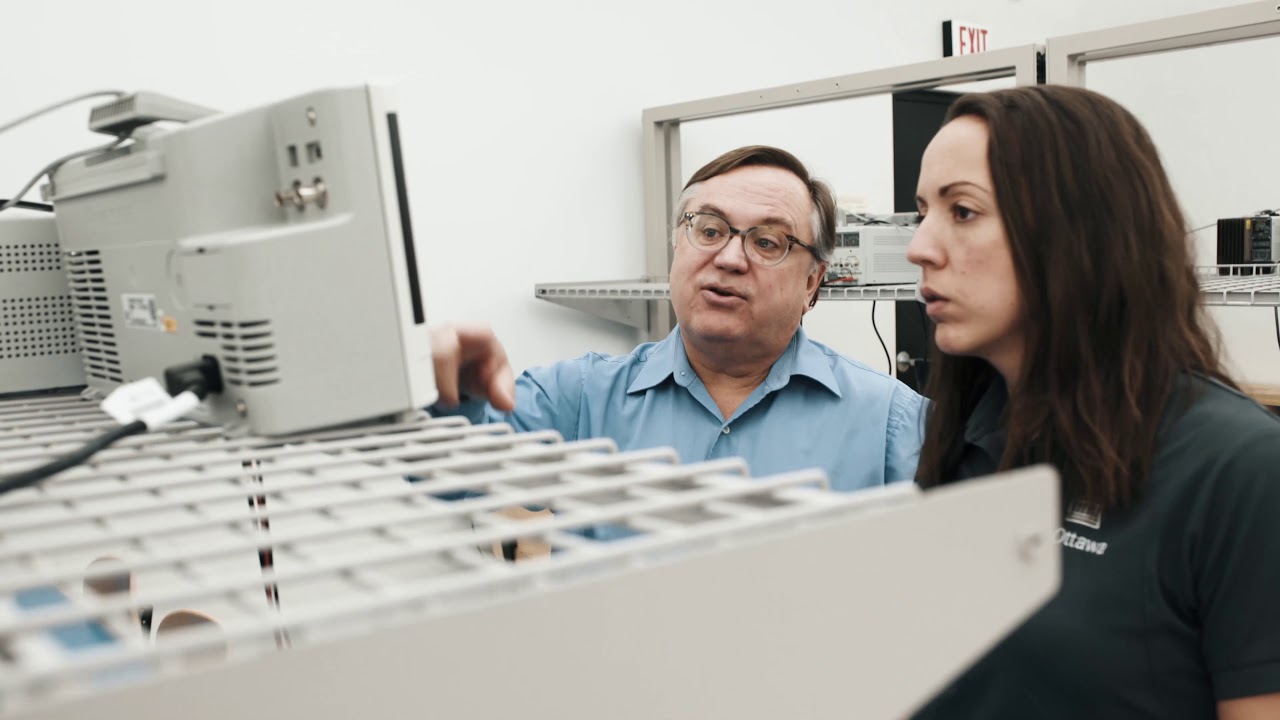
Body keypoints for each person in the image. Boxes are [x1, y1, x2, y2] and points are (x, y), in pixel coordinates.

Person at [906, 85, 1280, 719]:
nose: (920, 246)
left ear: (1078, 230)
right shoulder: (969, 433)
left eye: (962, 211)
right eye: (922, 212)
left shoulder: (1237, 469)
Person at [431, 146, 925, 499]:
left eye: (766, 242)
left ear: (812, 283)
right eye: (708, 230)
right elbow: (447, 481)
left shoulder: (891, 422)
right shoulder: (580, 398)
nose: (729, 258)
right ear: (677, 245)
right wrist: (448, 393)